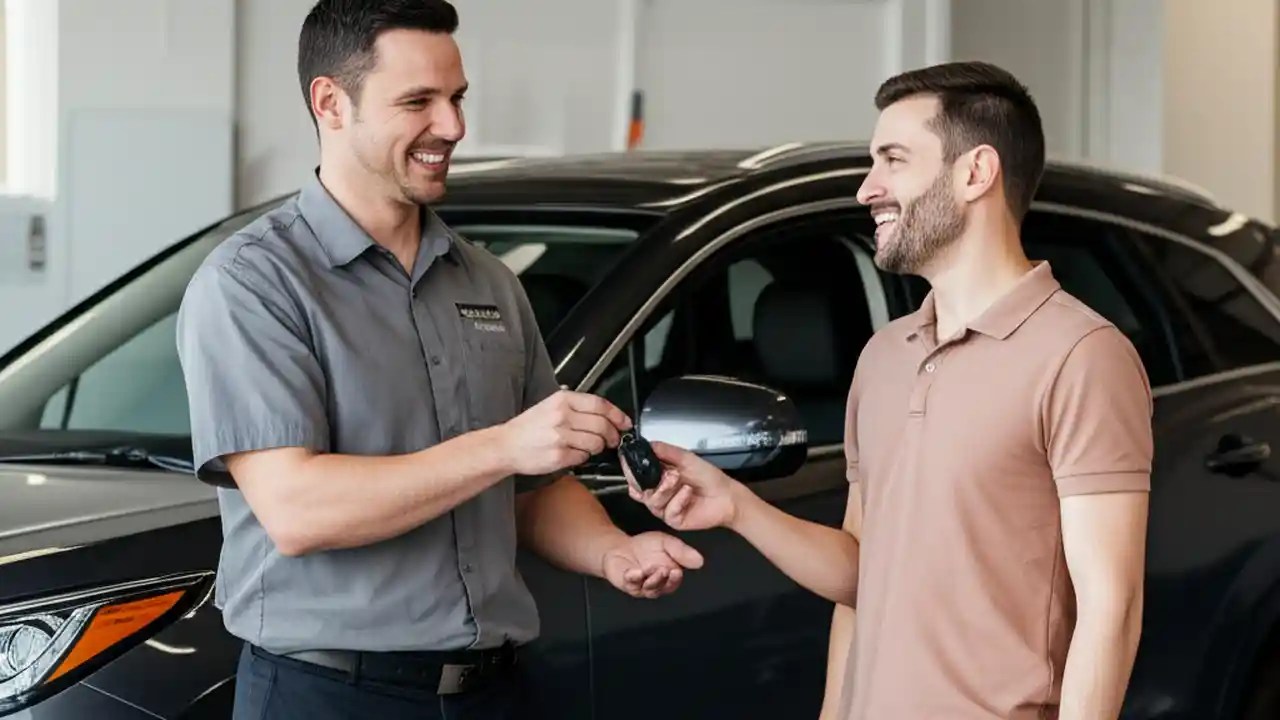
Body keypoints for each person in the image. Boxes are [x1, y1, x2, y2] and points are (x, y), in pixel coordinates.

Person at [174, 1, 704, 718]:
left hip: (495, 692)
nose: (452, 127)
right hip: (331, 697)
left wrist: (612, 551)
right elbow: (297, 510)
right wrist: (503, 446)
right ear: (331, 103)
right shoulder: (254, 284)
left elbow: (534, 487)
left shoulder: (488, 281)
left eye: (456, 99)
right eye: (418, 102)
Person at [627, 60, 1152, 720]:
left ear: (975, 172)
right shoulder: (884, 356)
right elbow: (860, 577)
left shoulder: (1082, 356)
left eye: (893, 161)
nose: (867, 189)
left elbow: (1112, 607)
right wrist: (734, 506)